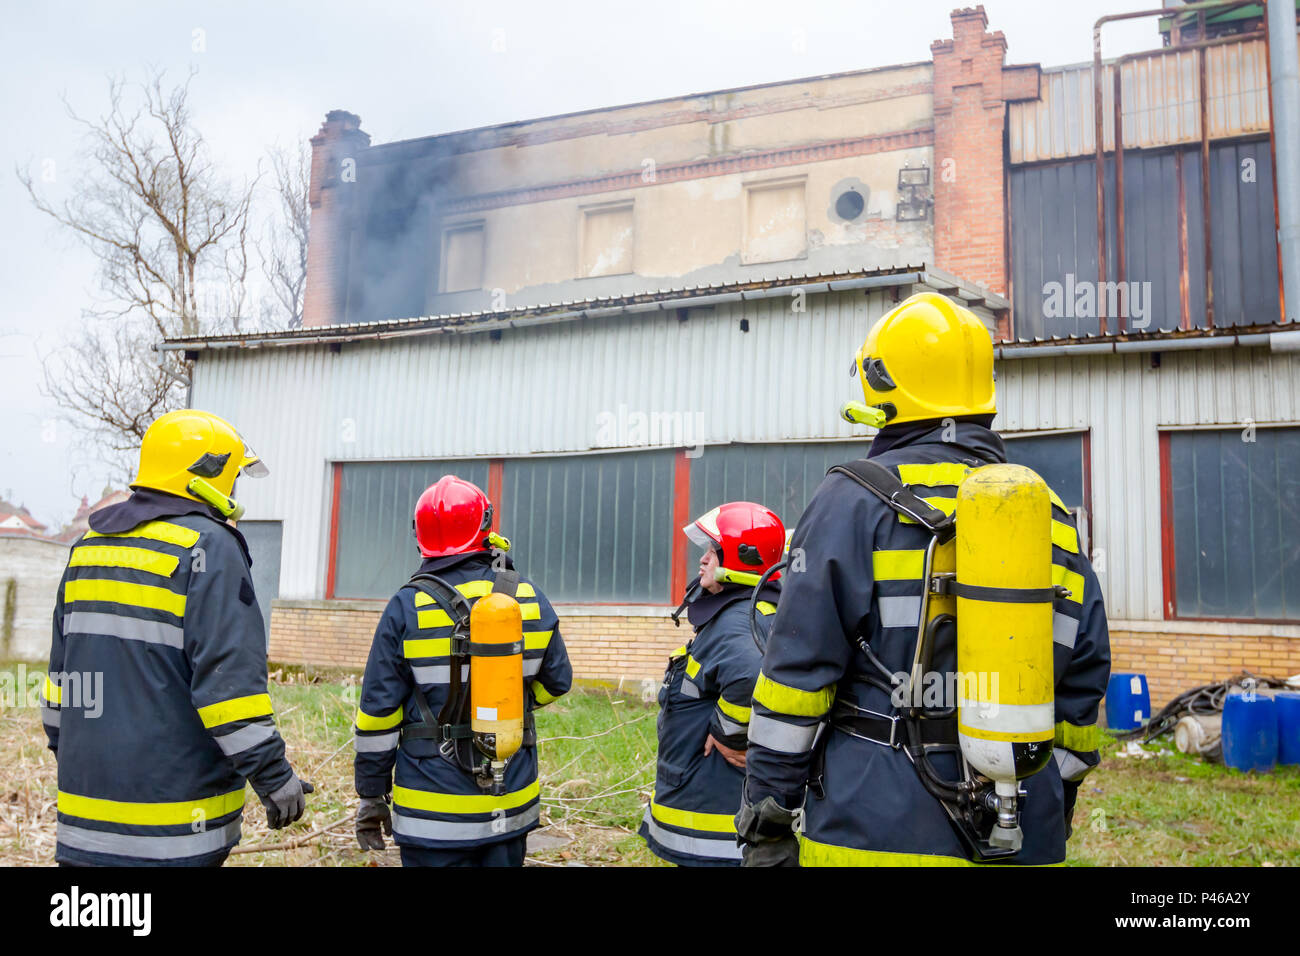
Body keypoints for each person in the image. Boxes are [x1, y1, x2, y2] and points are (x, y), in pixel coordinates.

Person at [737, 292, 1111, 867]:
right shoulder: (1050, 515)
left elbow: (796, 679)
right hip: (1021, 833)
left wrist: (767, 816)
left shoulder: (852, 500)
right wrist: (1042, 805)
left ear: (884, 386)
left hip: (874, 832)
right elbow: (1082, 695)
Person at [44, 409, 311, 866]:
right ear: (208, 475)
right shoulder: (210, 548)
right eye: (233, 477)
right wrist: (273, 776)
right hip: (176, 834)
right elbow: (230, 692)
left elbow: (59, 690)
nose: (233, 490)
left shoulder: (87, 550)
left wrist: (80, 759)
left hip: (83, 825)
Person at [352, 475, 572, 867]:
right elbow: (558, 682)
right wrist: (505, 712)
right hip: (509, 807)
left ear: (419, 536)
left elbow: (377, 715)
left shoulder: (407, 606)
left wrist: (371, 793)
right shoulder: (528, 598)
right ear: (485, 528)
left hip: (432, 815)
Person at [639, 502, 785, 866]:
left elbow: (750, 676)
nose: (703, 560)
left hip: (712, 824)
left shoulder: (737, 621)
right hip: (712, 805)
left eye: (713, 552)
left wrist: (728, 733)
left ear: (742, 557)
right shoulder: (754, 612)